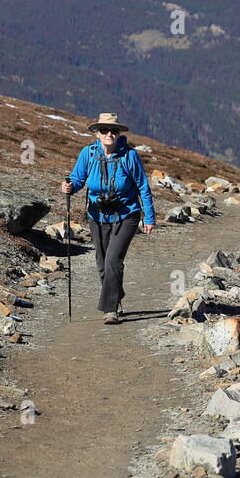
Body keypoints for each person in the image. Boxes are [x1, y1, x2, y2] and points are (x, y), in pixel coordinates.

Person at [61, 112, 156, 324]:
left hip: (127, 214)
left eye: (114, 130)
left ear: (119, 133)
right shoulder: (88, 153)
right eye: (104, 130)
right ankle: (115, 295)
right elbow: (78, 178)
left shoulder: (129, 156)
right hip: (97, 215)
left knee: (113, 260)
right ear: (97, 133)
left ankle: (110, 310)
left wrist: (149, 218)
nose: (109, 134)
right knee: (103, 264)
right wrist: (69, 187)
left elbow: (143, 186)